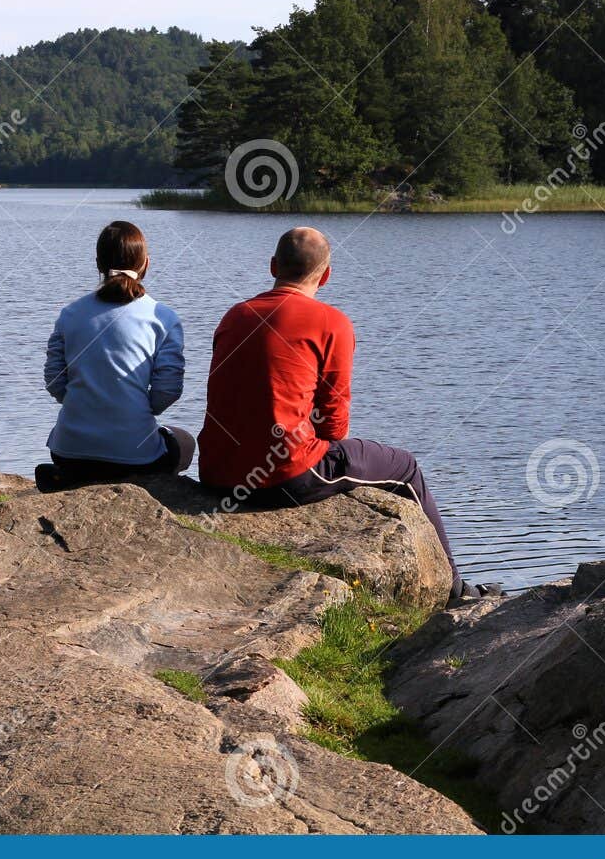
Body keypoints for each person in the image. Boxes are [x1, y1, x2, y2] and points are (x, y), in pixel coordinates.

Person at [197, 226, 493, 600]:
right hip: (284, 479)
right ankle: (455, 589)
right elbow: (335, 426)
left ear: (273, 266)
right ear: (326, 275)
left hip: (216, 475)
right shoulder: (331, 322)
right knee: (406, 467)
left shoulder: (235, 315)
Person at [38, 220, 194, 489]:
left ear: (98, 264)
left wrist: (82, 402)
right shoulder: (163, 318)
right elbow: (168, 390)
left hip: (68, 452)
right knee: (186, 441)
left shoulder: (70, 314)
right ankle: (144, 485)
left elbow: (54, 380)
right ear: (146, 264)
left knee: (79, 458)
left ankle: (74, 478)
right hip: (136, 456)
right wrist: (136, 408)